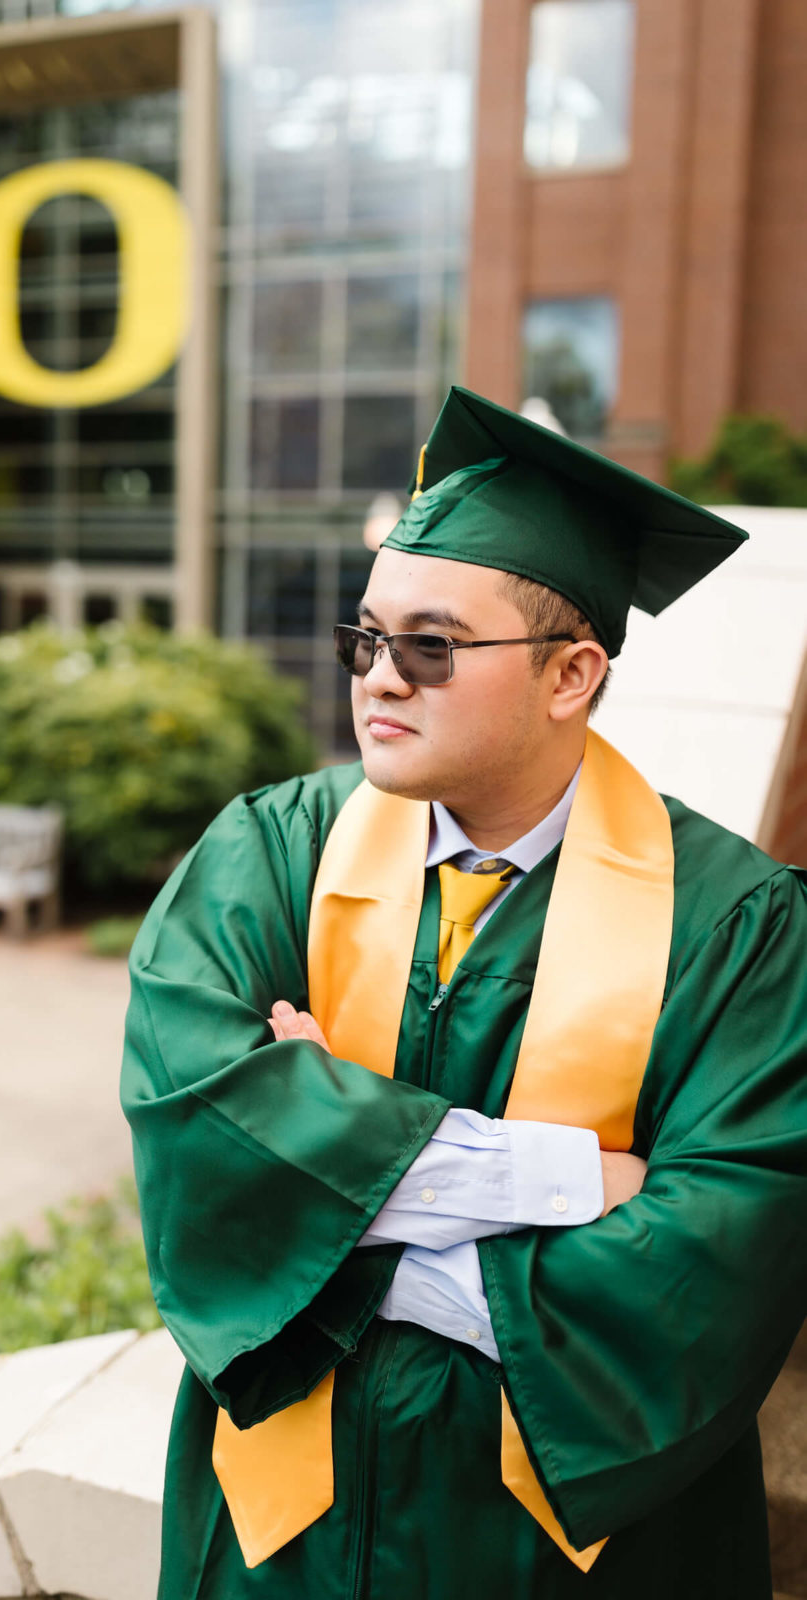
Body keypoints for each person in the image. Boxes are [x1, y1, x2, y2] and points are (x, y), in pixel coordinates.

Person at [120, 385, 807, 1600]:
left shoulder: (737, 926)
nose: (378, 679)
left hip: (572, 1555)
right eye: (364, 638)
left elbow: (724, 1243)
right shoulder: (270, 854)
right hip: (285, 1534)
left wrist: (338, 1186)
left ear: (569, 674)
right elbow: (205, 1130)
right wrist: (556, 1180)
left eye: (431, 647)